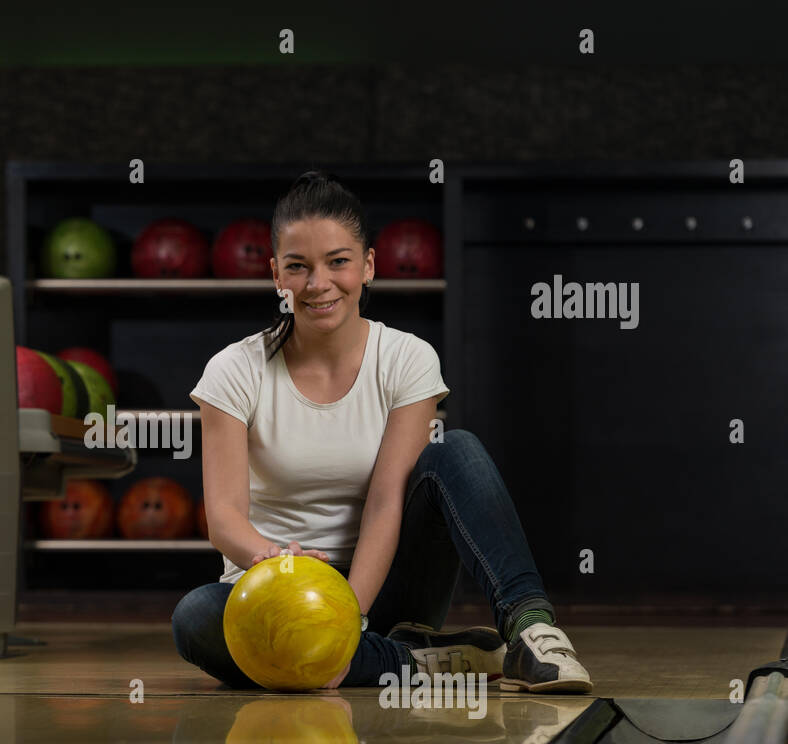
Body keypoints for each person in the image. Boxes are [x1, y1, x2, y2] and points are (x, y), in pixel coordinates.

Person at [172, 170, 592, 694]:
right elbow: (224, 517)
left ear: (368, 265)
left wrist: (341, 619)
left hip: (388, 589)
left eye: (338, 262)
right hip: (275, 588)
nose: (318, 283)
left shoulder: (408, 358)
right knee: (195, 619)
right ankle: (413, 662)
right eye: (298, 267)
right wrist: (275, 560)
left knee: (454, 449)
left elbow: (386, 502)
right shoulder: (234, 369)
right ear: (277, 275)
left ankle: (532, 632)